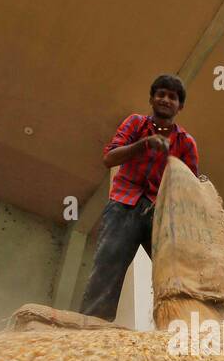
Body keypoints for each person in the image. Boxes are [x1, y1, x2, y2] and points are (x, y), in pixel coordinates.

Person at [78, 73, 201, 321]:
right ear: (152, 99)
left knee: (172, 276)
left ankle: (177, 328)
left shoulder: (186, 143)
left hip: (161, 216)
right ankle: (91, 327)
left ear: (180, 105)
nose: (166, 100)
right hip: (123, 205)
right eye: (161, 94)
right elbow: (109, 158)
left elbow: (188, 186)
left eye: (172, 97)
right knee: (107, 267)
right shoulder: (135, 124)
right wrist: (143, 145)